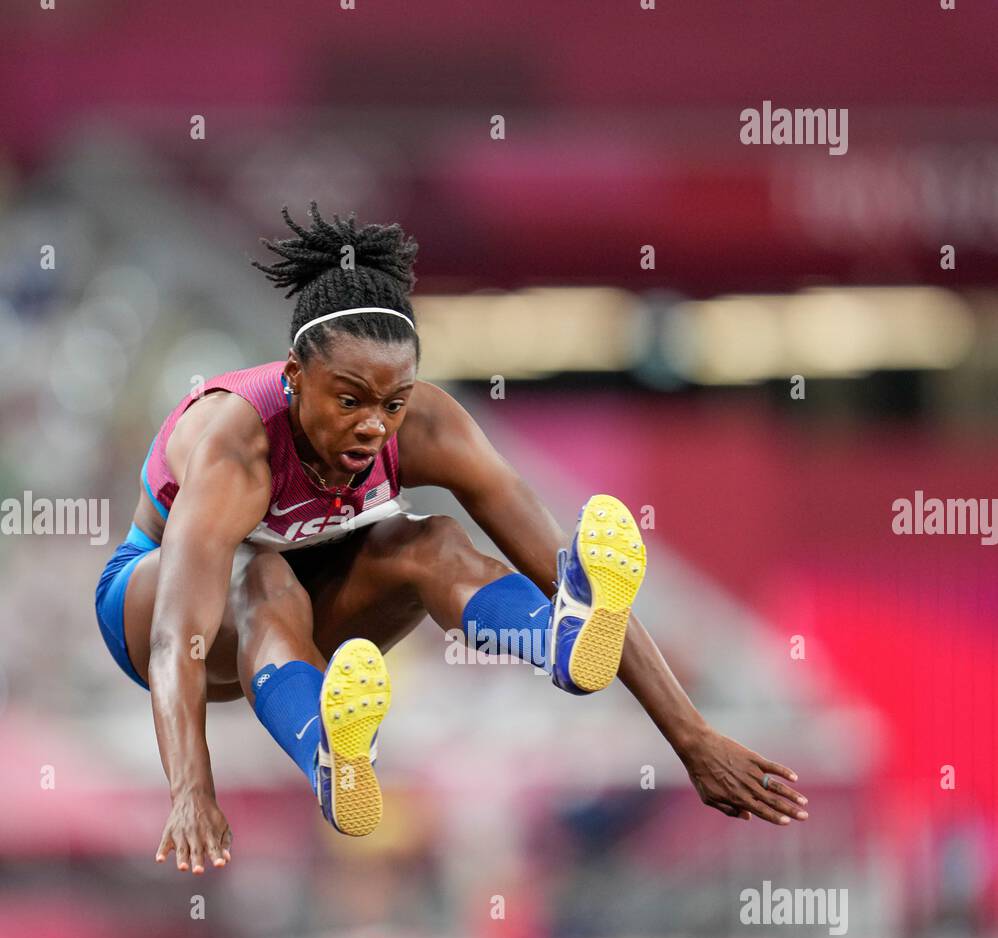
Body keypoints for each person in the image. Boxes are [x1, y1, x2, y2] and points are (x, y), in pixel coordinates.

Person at [95, 205, 807, 873]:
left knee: (430, 539)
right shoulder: (236, 447)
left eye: (393, 402)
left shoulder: (428, 428)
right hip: (155, 612)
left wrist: (691, 736)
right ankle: (326, 753)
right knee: (263, 576)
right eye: (350, 401)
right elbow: (173, 638)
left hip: (301, 617)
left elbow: (568, 570)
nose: (374, 426)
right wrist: (191, 787)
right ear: (293, 378)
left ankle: (552, 648)